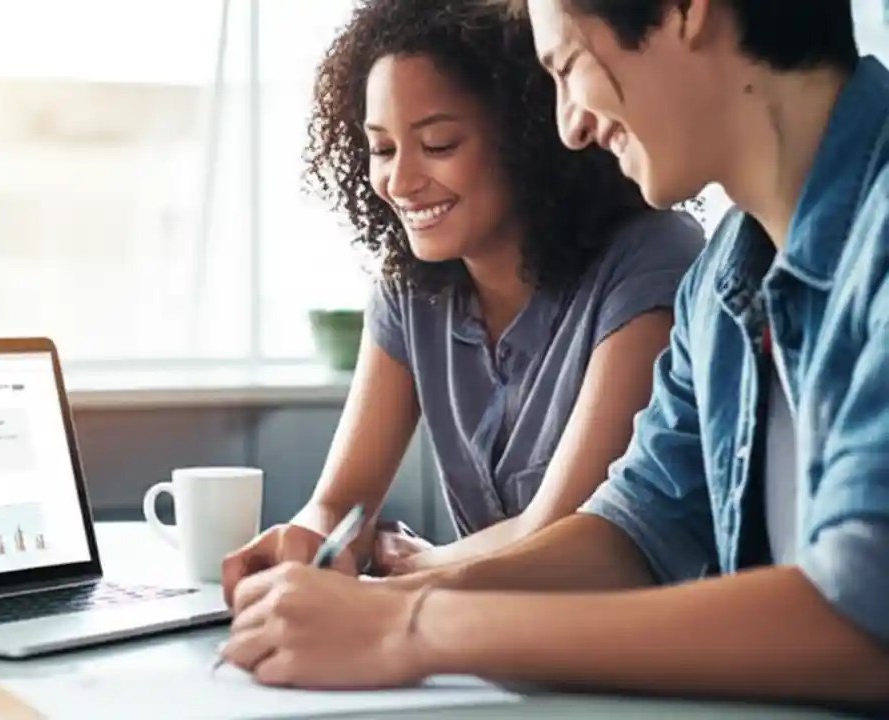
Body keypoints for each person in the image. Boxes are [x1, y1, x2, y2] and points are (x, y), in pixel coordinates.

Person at [219, 0, 889, 703]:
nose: (568, 125)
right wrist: (381, 604)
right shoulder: (719, 287)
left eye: (569, 65)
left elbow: (864, 615)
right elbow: (632, 530)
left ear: (687, 12)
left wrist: (418, 627)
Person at [221, 0, 703, 595]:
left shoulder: (649, 259)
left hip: (626, 650)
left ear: (528, 140)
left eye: (439, 144)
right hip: (488, 647)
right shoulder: (409, 292)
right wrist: (308, 541)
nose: (399, 182)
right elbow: (341, 505)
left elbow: (563, 530)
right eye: (383, 148)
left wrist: (412, 570)